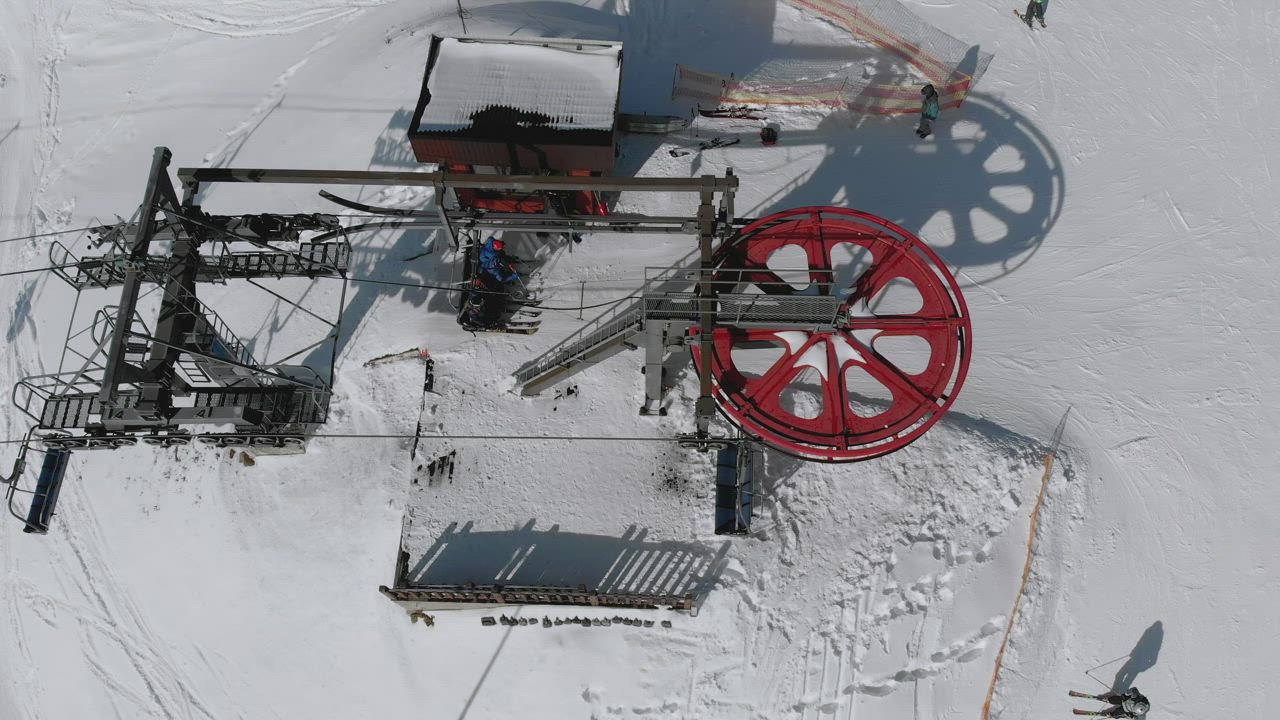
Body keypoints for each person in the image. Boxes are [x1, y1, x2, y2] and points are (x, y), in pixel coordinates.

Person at [1074, 688, 1150, 718]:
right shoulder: (1137, 698)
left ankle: (1110, 714)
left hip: (1126, 710)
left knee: (1116, 714)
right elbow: (1133, 690)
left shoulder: (1142, 711)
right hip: (1124, 700)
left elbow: (1136, 718)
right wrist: (1126, 695)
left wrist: (1131, 715)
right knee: (1114, 699)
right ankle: (1108, 699)